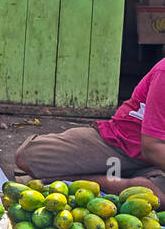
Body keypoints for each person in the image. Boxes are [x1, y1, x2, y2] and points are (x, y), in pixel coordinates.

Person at [14, 58, 165, 200]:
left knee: (156, 196)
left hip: (153, 166)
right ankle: (107, 177)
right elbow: (152, 147)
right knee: (27, 157)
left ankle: (80, 180)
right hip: (117, 144)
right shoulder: (163, 73)